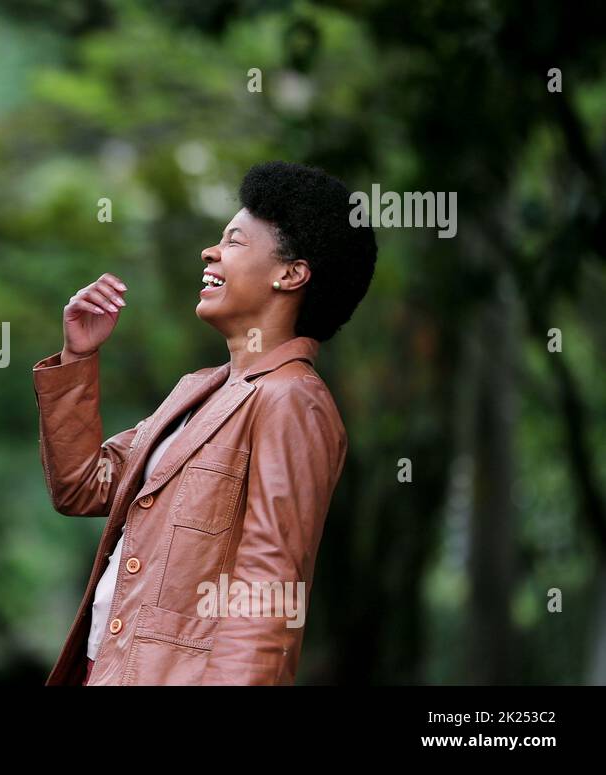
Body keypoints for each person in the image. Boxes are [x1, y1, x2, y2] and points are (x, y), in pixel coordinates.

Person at [33, 161, 376, 685]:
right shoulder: (200, 389)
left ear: (290, 274)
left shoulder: (292, 400)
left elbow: (269, 591)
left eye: (235, 242)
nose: (210, 252)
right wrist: (77, 357)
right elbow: (82, 486)